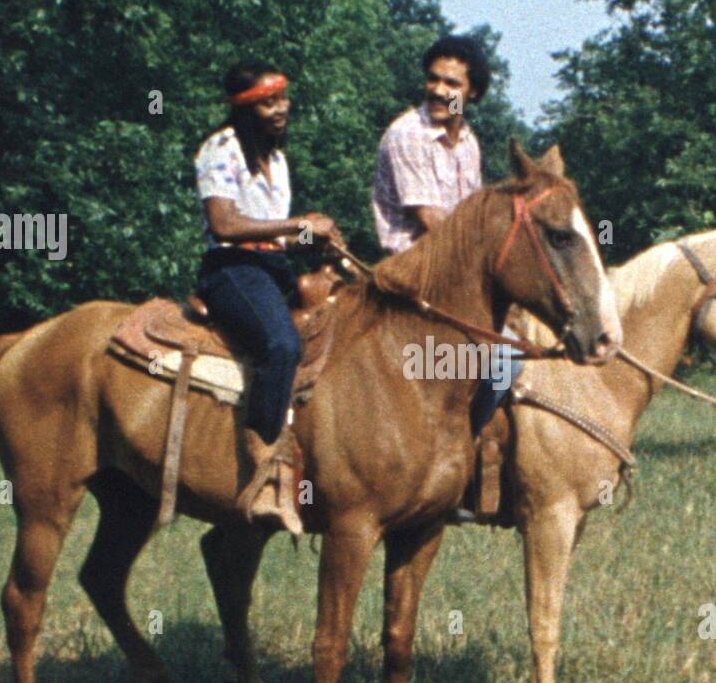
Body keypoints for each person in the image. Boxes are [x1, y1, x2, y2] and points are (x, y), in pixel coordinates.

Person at [194, 59, 342, 534]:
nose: (281, 109)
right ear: (243, 109)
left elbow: (278, 239)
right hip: (232, 269)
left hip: (272, 267)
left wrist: (317, 240)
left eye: (282, 99)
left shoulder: (277, 160)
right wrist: (296, 225)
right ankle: (262, 459)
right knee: (281, 346)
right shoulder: (220, 149)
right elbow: (224, 224)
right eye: (267, 102)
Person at [370, 35, 522, 435]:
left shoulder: (469, 142)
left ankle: (466, 442)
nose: (438, 90)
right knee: (500, 357)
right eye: (433, 79)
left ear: (473, 92)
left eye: (452, 84)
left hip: (458, 276)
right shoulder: (407, 134)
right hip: (414, 273)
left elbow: (471, 219)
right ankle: (455, 445)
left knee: (512, 355)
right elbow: (434, 222)